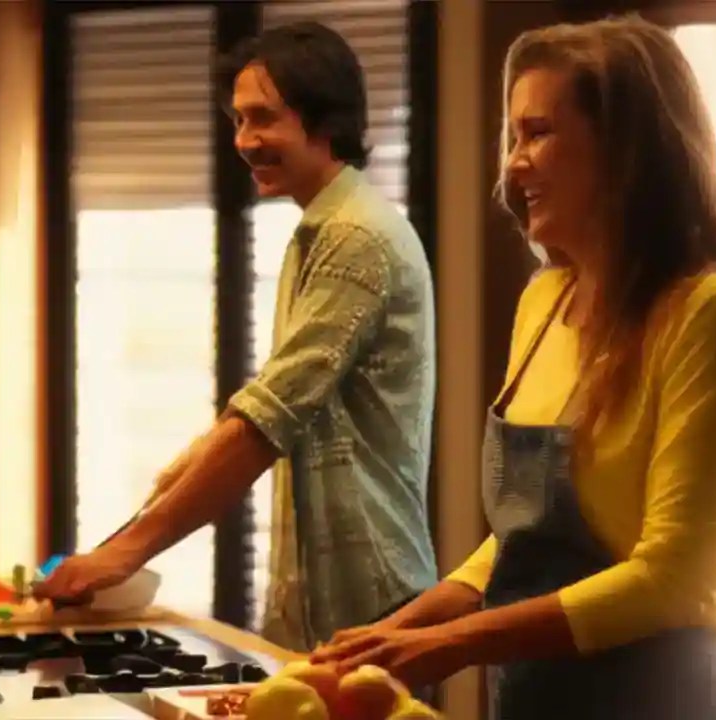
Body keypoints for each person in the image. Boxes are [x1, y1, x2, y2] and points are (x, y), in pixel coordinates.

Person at [310, 15, 716, 720]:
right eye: (514, 137)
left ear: (624, 151)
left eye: (538, 134)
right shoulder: (543, 302)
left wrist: (455, 644)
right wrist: (403, 627)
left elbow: (672, 579)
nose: (512, 165)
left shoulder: (714, 317)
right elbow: (518, 545)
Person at [35, 21, 438, 653]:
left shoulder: (355, 237)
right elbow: (278, 402)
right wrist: (195, 459)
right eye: (237, 122)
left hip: (371, 599)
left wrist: (122, 554)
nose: (244, 141)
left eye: (263, 119)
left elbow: (266, 420)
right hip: (330, 595)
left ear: (324, 120)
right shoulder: (324, 230)